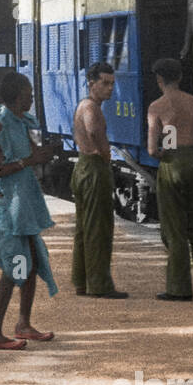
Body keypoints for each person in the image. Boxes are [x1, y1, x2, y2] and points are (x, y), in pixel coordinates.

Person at [0, 71, 58, 349]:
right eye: (29, 93)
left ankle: (23, 323)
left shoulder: (19, 120)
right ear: (17, 96)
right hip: (6, 206)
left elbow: (28, 152)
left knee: (31, 261)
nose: (32, 96)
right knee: (14, 266)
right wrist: (27, 161)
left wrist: (40, 155)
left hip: (24, 204)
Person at [147, 57, 193, 301]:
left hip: (171, 165)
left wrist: (171, 148)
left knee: (174, 227)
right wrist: (190, 147)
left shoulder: (157, 106)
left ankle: (179, 288)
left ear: (159, 80)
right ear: (180, 77)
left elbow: (153, 150)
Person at [71, 62, 127, 298]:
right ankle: (100, 285)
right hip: (94, 168)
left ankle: (81, 280)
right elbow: (94, 133)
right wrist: (106, 154)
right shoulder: (92, 108)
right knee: (99, 228)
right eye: (105, 83)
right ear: (91, 83)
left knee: (84, 228)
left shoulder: (83, 105)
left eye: (112, 83)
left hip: (83, 167)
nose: (110, 88)